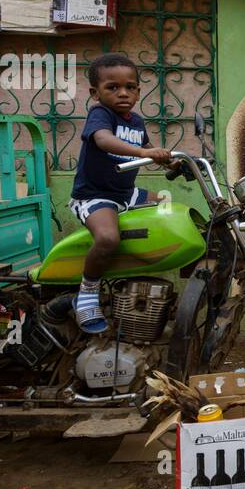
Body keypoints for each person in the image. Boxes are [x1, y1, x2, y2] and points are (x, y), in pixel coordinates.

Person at [68, 53, 170, 332]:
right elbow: (103, 140)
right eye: (113, 87)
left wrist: (171, 160)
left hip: (126, 193)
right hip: (95, 194)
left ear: (138, 90)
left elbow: (149, 148)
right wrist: (143, 152)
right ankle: (88, 291)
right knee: (107, 238)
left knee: (169, 208)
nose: (123, 93)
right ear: (95, 92)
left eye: (130, 87)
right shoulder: (100, 114)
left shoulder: (136, 121)